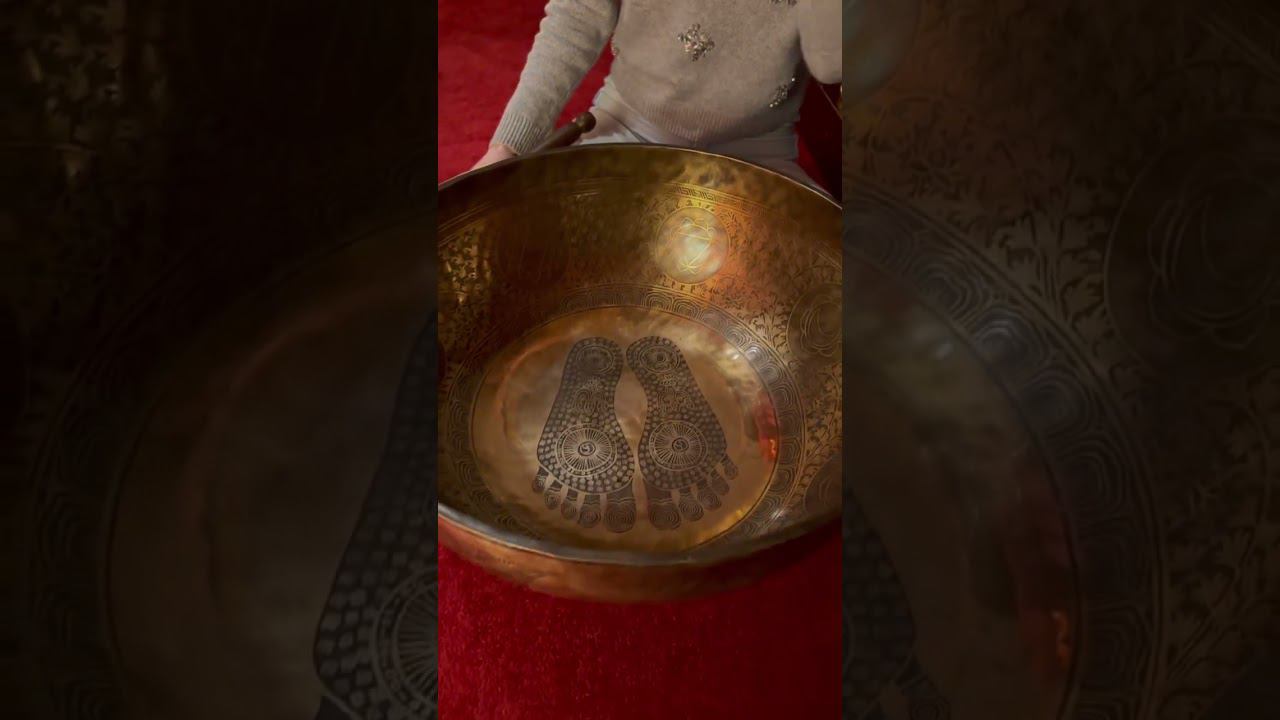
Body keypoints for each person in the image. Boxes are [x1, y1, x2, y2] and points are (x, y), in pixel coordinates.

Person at [472, 0, 921, 189]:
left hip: (759, 158)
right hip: (626, 127)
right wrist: (507, 146)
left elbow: (831, 62)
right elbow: (577, 17)